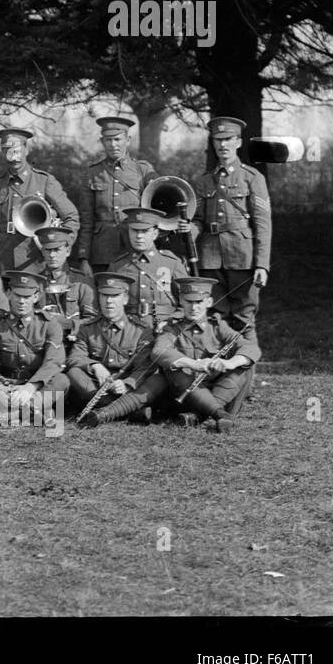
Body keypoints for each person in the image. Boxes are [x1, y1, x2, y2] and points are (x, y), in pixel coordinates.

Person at [183, 116, 272, 339]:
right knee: (215, 316)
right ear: (213, 143)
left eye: (228, 139)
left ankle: (245, 369)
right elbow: (199, 221)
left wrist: (262, 264)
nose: (223, 145)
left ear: (238, 142)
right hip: (210, 257)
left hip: (242, 256)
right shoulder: (204, 182)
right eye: (218, 140)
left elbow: (262, 224)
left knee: (244, 316)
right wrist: (188, 232)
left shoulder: (252, 178)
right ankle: (220, 370)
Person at [152, 276, 261, 431]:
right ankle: (220, 415)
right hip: (185, 394)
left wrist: (229, 363)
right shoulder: (172, 328)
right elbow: (159, 351)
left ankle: (199, 416)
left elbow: (250, 347)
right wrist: (193, 364)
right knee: (175, 370)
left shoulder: (217, 326)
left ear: (209, 302)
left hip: (217, 389)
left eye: (199, 302)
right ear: (181, 301)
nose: (194, 307)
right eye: (189, 301)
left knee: (245, 365)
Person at [66, 272, 162, 426]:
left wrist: (128, 384)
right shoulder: (87, 328)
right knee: (73, 373)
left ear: (125, 299)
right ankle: (128, 409)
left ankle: (106, 412)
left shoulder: (141, 330)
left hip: (126, 387)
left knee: (157, 379)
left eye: (115, 295)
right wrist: (94, 366)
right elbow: (74, 357)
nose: (109, 301)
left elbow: (145, 366)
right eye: (104, 296)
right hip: (97, 386)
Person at [0, 270, 69, 420]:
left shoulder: (49, 324)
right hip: (5, 384)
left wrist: (30, 387)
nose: (21, 301)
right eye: (17, 295)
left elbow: (53, 361)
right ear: (9, 293)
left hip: (36, 386)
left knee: (61, 380)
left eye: (27, 297)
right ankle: (32, 412)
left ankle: (9, 414)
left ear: (36, 297)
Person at [0, 128, 79, 274]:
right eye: (8, 151)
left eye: (17, 150)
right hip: (2, 263)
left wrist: (60, 247)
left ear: (26, 150)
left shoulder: (44, 181)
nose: (14, 157)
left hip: (34, 262)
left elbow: (72, 218)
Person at [73, 115, 156, 274]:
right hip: (102, 251)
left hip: (134, 247)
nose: (113, 145)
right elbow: (86, 219)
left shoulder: (142, 170)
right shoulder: (92, 173)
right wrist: (83, 258)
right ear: (102, 141)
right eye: (108, 140)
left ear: (128, 140)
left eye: (117, 139)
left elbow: (156, 209)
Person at [107, 208, 188, 326]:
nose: (139, 236)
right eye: (134, 231)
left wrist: (172, 321)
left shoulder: (171, 263)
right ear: (128, 231)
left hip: (164, 327)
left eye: (145, 231)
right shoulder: (118, 266)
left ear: (155, 234)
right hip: (128, 328)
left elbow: (188, 301)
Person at [21, 226, 96, 347]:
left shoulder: (82, 282)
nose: (52, 255)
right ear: (42, 252)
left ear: (68, 251)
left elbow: (93, 320)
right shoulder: (34, 282)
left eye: (57, 250)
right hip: (41, 344)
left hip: (75, 344)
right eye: (48, 250)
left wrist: (69, 324)